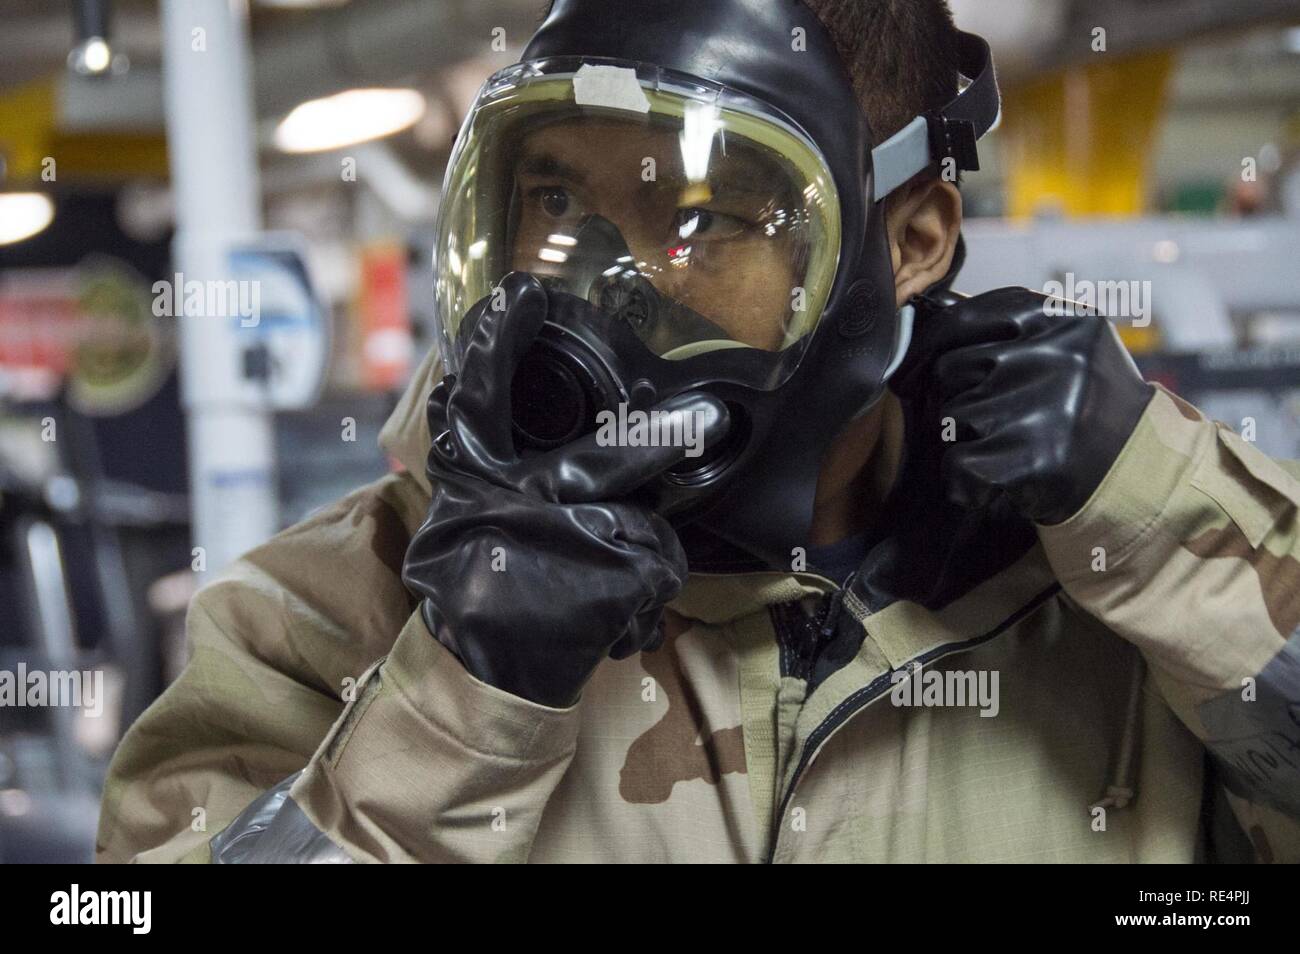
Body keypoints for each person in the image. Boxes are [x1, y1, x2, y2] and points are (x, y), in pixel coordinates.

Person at [97, 0, 1300, 864]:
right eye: (556, 200)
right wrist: (461, 701)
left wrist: (1164, 523)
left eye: (704, 217)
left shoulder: (1098, 608)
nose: (598, 284)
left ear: (912, 239)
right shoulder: (320, 618)